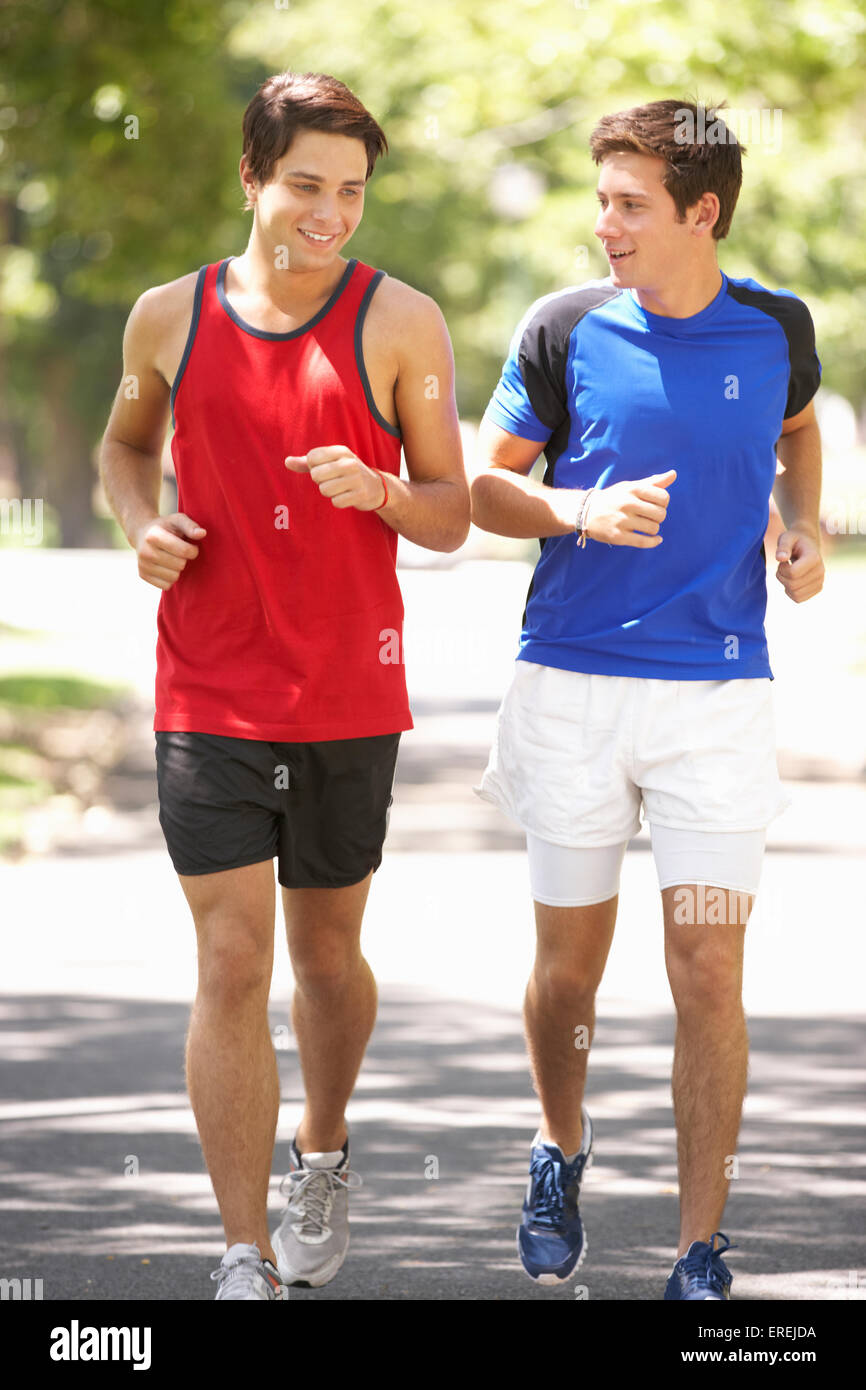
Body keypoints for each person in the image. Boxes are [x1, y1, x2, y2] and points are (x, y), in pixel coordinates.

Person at [99, 69, 469, 1300]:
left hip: (345, 697)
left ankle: (323, 1144)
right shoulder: (167, 314)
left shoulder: (402, 321)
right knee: (229, 959)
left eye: (351, 190)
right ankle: (243, 1247)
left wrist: (384, 493)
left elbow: (451, 511)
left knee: (325, 958)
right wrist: (140, 522)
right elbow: (122, 443)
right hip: (204, 689)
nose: (329, 211)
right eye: (305, 184)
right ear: (251, 177)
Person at [471, 99, 823, 1300]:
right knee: (567, 971)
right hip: (570, 688)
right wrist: (572, 509)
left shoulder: (776, 325)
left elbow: (794, 423)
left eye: (629, 205)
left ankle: (696, 1246)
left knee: (706, 969)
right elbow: (481, 485)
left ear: (700, 211)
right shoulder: (563, 326)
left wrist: (802, 521)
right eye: (603, 201)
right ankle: (558, 1145)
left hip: (715, 701)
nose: (605, 226)